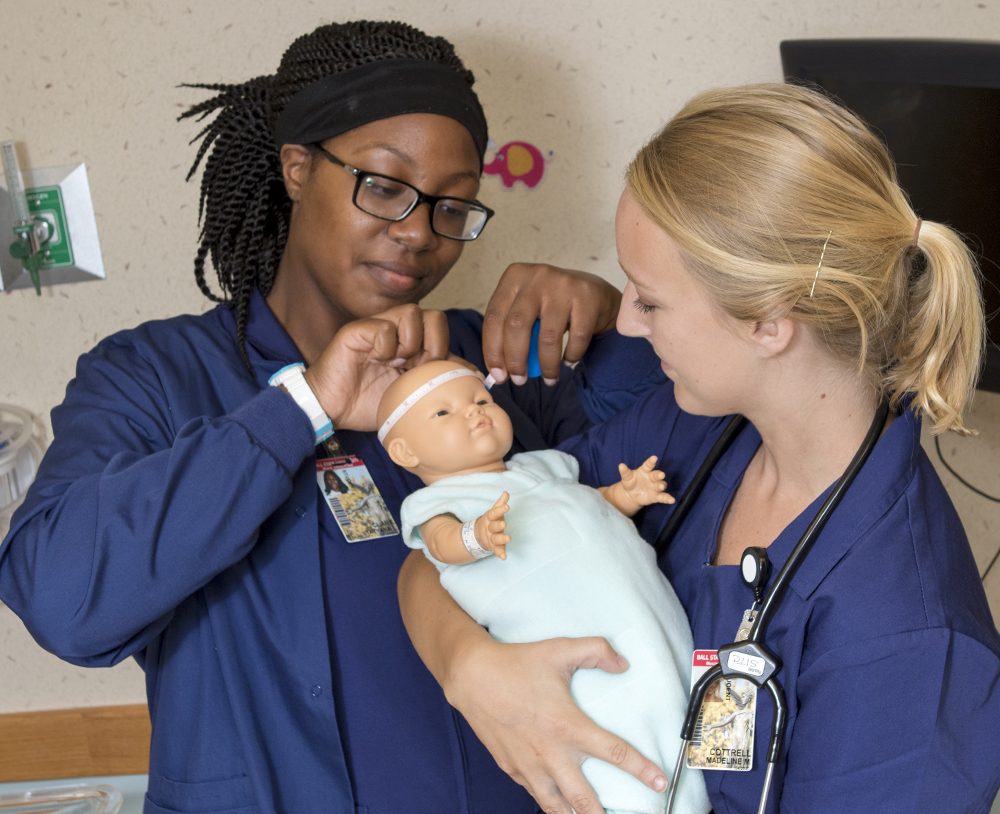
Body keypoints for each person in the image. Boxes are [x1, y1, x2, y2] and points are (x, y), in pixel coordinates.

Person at [0, 21, 665, 814]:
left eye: (453, 206)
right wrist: (301, 408)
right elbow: (66, 601)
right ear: (297, 168)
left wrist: (621, 325)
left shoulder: (484, 365)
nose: (419, 232)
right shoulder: (155, 377)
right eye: (383, 185)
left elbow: (677, 473)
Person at [397, 83, 1000, 814]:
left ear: (769, 324)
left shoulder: (909, 640)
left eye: (649, 300)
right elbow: (440, 542)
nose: (625, 319)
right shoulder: (692, 428)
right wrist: (472, 667)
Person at [378, 358, 711, 814]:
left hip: (638, 611)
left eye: (480, 400)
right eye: (444, 412)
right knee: (614, 734)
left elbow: (586, 505)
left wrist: (625, 495)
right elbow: (439, 545)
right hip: (570, 638)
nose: (474, 412)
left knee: (672, 697)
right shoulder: (438, 504)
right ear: (405, 453)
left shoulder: (544, 468)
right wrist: (475, 536)